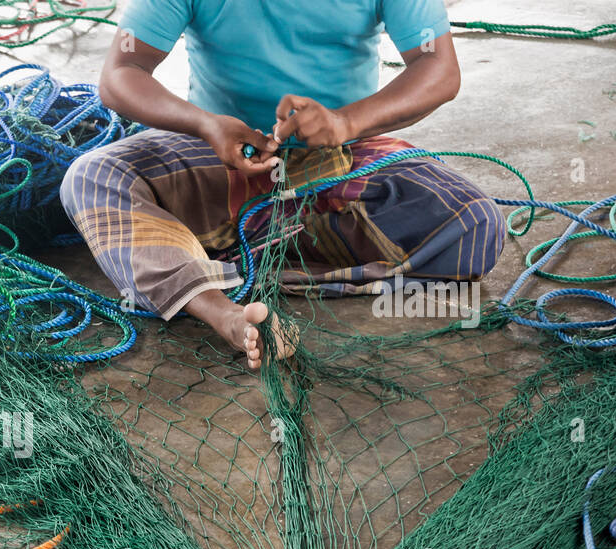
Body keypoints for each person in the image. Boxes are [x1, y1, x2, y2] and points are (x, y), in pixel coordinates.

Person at [60, 0, 505, 369]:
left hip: (344, 158)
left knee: (476, 224)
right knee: (93, 177)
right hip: (219, 158)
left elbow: (438, 66)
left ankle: (218, 263)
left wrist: (345, 121)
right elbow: (123, 71)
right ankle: (224, 311)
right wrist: (207, 124)